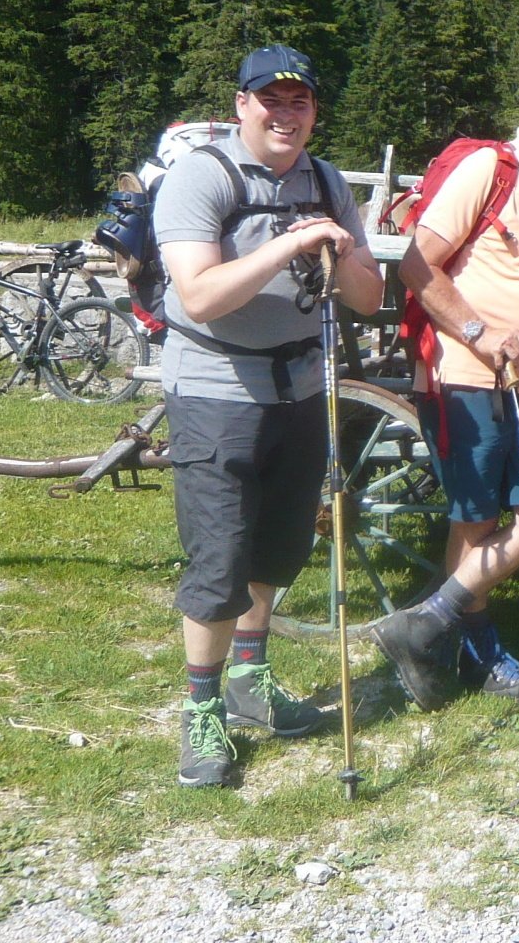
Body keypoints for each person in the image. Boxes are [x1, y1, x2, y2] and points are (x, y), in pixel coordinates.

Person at [157, 45, 385, 788]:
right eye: (271, 100)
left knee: (278, 545)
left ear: (314, 110)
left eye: (300, 101)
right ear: (242, 105)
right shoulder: (203, 176)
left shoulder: (327, 182)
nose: (286, 114)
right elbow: (199, 296)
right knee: (220, 555)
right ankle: (202, 710)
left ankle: (250, 681)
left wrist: (341, 255)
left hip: (301, 386)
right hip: (215, 387)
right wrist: (290, 242)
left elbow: (369, 297)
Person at [372, 67, 519, 709]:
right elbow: (417, 262)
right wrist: (478, 332)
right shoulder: (489, 170)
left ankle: (427, 622)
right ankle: (478, 654)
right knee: (476, 517)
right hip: (465, 371)